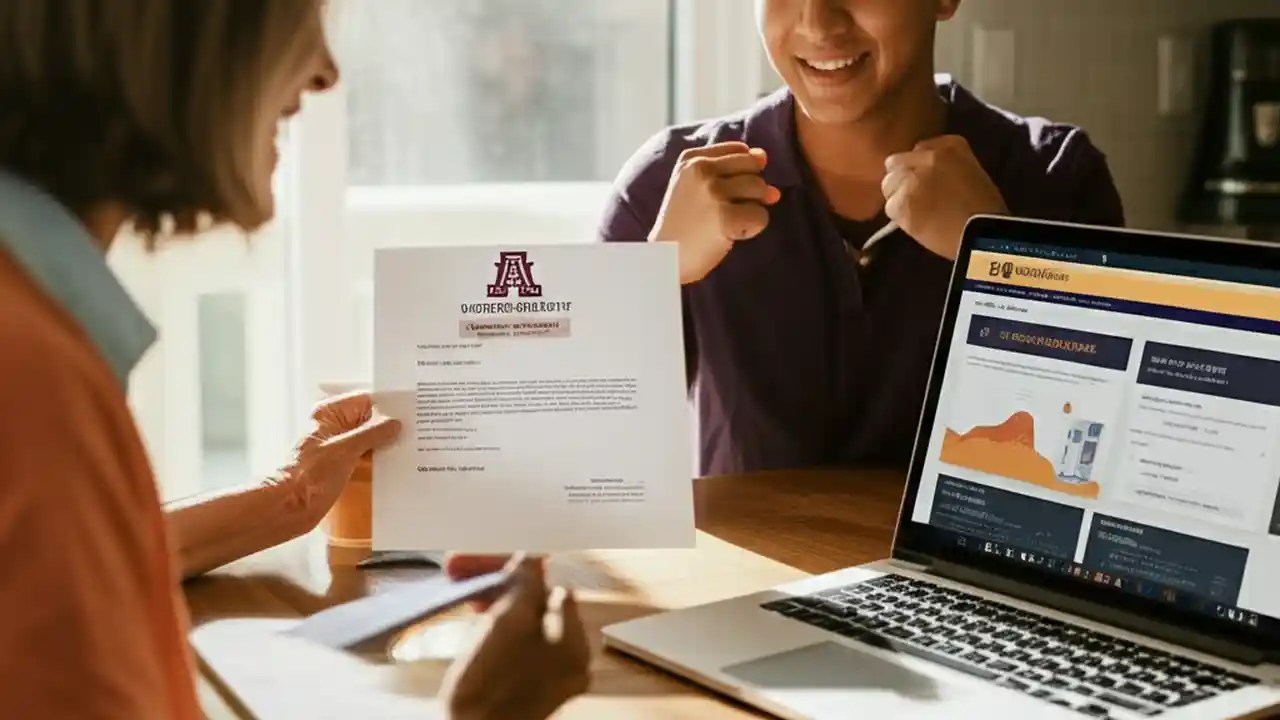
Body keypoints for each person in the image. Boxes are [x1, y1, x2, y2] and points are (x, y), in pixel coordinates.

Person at [0, 2, 588, 718]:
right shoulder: (33, 383)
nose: (325, 72)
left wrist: (289, 495)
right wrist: (484, 711)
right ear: (185, 34)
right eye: (297, 21)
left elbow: (71, 563)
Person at [598, 0, 1126, 477]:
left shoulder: (1058, 180)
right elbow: (586, 465)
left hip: (963, 556)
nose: (817, 21)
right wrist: (658, 277)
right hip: (740, 559)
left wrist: (1001, 260)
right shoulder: (663, 187)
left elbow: (1103, 461)